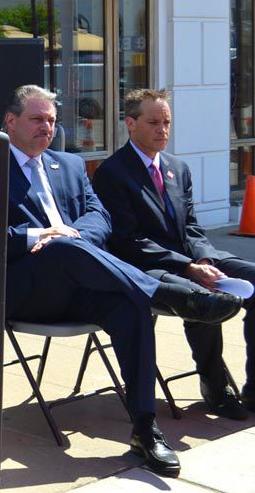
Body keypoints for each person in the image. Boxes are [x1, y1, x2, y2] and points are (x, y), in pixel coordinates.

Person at [3, 85, 241, 476]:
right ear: (11, 122)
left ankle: (145, 430)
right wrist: (39, 236)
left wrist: (74, 235)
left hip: (78, 283)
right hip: (27, 288)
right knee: (60, 247)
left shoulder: (71, 165)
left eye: (51, 120)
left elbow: (100, 218)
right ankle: (169, 294)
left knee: (129, 306)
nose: (46, 127)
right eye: (36, 119)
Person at [94, 88, 255, 420]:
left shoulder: (177, 168)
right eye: (153, 122)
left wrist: (205, 259)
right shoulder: (113, 173)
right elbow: (128, 240)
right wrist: (190, 268)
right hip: (150, 267)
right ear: (130, 124)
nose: (162, 130)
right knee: (206, 296)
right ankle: (214, 385)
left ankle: (252, 389)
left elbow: (192, 227)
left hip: (193, 257)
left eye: (167, 122)